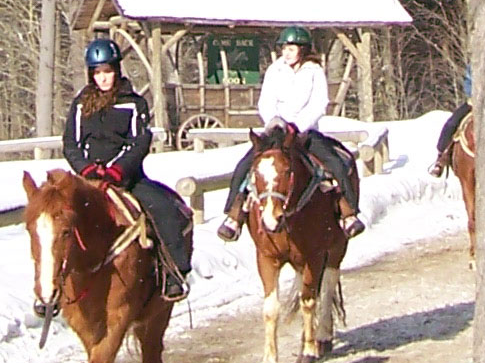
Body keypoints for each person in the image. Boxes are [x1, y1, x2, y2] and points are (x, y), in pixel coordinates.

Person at [61, 38, 194, 300]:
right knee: (55, 220)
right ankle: (54, 286)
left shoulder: (134, 103)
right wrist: (86, 169)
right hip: (87, 179)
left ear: (117, 70)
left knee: (164, 208)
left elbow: (138, 142)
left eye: (107, 71)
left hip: (126, 178)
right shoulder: (79, 105)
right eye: (97, 73)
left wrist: (117, 171)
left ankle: (173, 272)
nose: (103, 78)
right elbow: (71, 144)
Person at [215, 28, 364, 241]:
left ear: (302, 50)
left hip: (305, 132)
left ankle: (348, 213)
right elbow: (265, 101)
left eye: (291, 48)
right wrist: (274, 122)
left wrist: (298, 126)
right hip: (276, 130)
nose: (286, 53)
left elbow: (319, 104)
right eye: (284, 48)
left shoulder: (314, 71)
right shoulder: (275, 70)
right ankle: (233, 215)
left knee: (336, 163)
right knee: (244, 166)